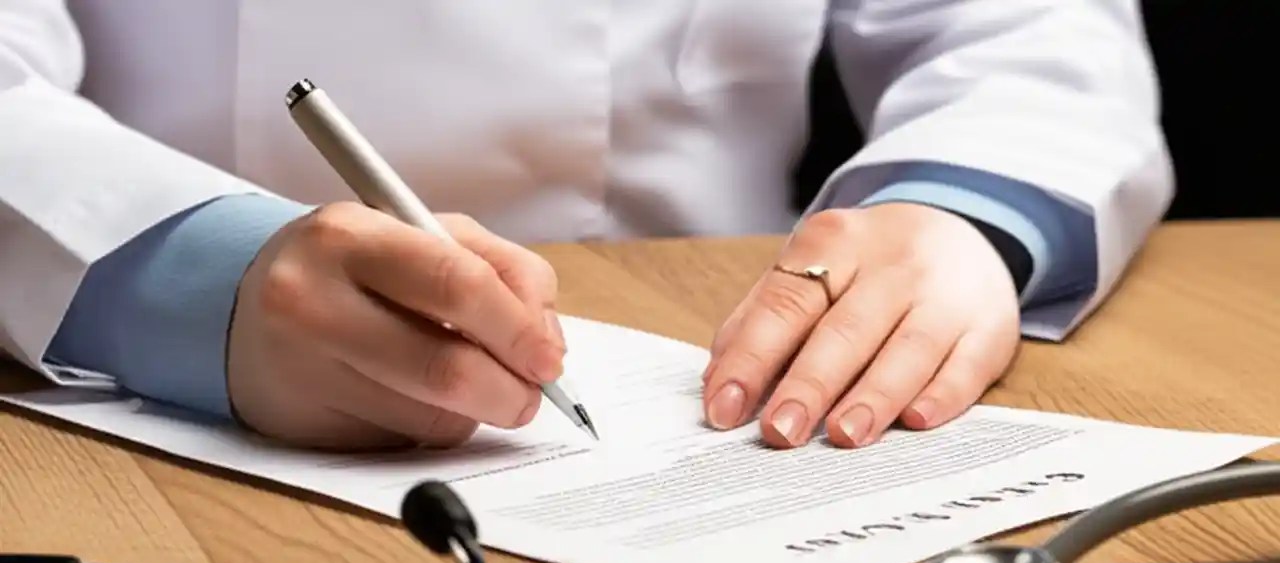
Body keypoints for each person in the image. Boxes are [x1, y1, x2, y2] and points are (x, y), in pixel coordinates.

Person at [0, 1, 1172, 451]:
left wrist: (953, 207)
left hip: (731, 334)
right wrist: (198, 276)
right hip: (163, 417)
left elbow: (1022, 31)